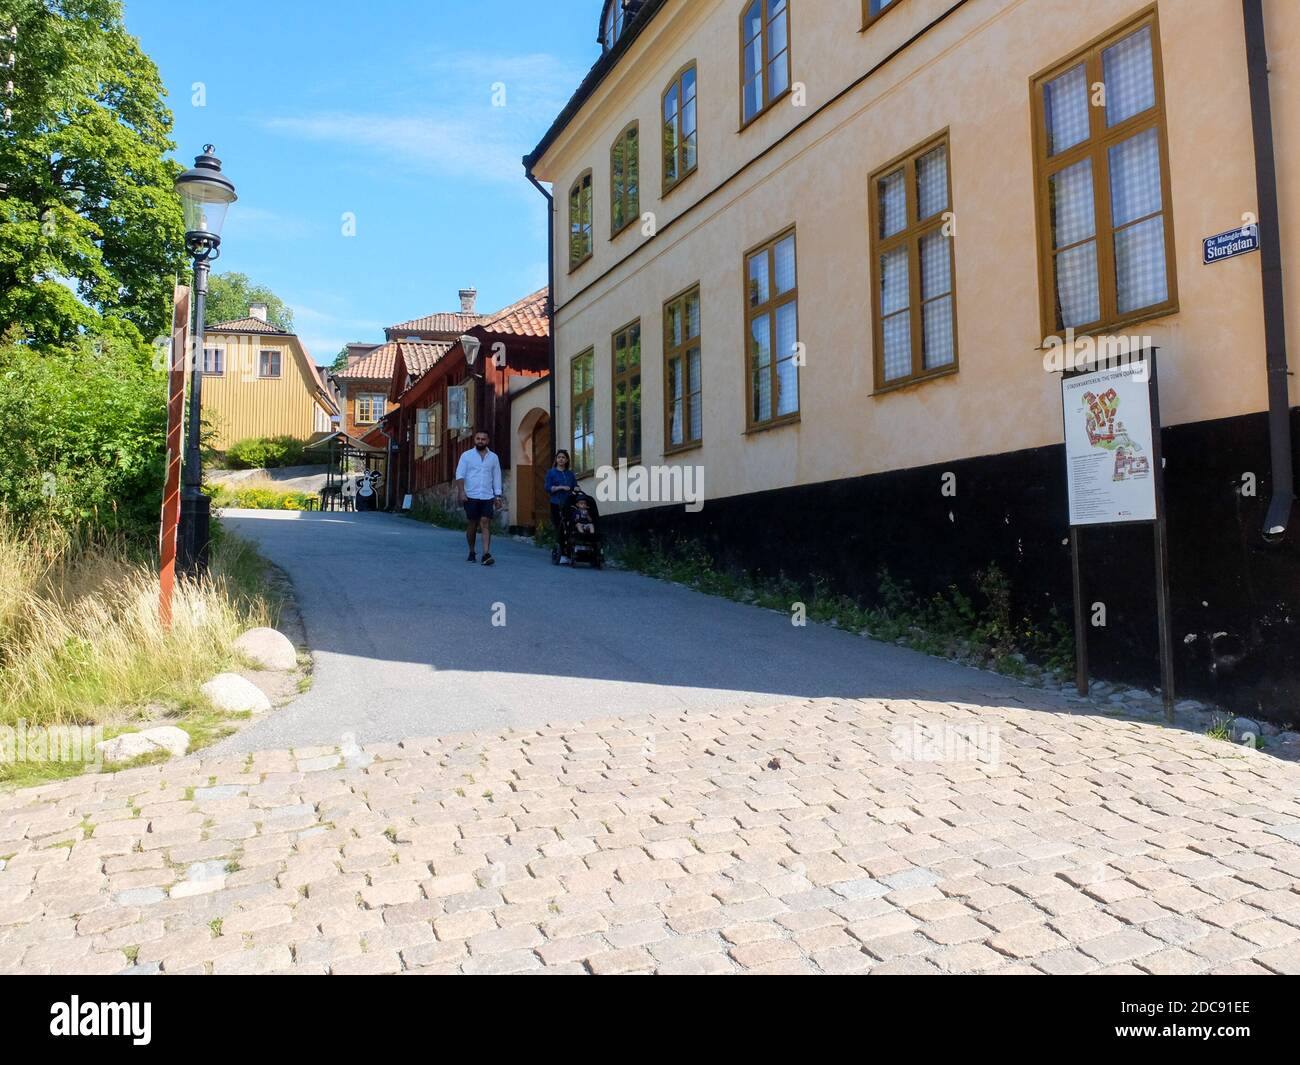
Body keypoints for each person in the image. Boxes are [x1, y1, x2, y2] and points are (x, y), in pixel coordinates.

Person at [455, 430, 503, 566]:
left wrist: (497, 495)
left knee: (485, 521)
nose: (480, 441)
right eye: (478, 438)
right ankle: (471, 551)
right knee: (473, 523)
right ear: (474, 440)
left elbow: (497, 476)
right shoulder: (467, 456)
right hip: (471, 495)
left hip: (487, 495)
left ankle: (486, 554)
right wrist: (461, 491)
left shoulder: (493, 457)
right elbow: (460, 474)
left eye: (483, 439)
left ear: (487, 441)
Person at [544, 450, 578, 565]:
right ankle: (562, 553)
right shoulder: (551, 473)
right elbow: (548, 488)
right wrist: (560, 487)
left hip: (568, 503)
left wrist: (576, 488)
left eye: (563, 457)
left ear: (567, 460)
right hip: (556, 503)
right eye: (559, 457)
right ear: (556, 459)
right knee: (559, 527)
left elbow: (574, 486)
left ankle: (570, 552)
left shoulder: (570, 474)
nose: (561, 459)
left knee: (569, 527)